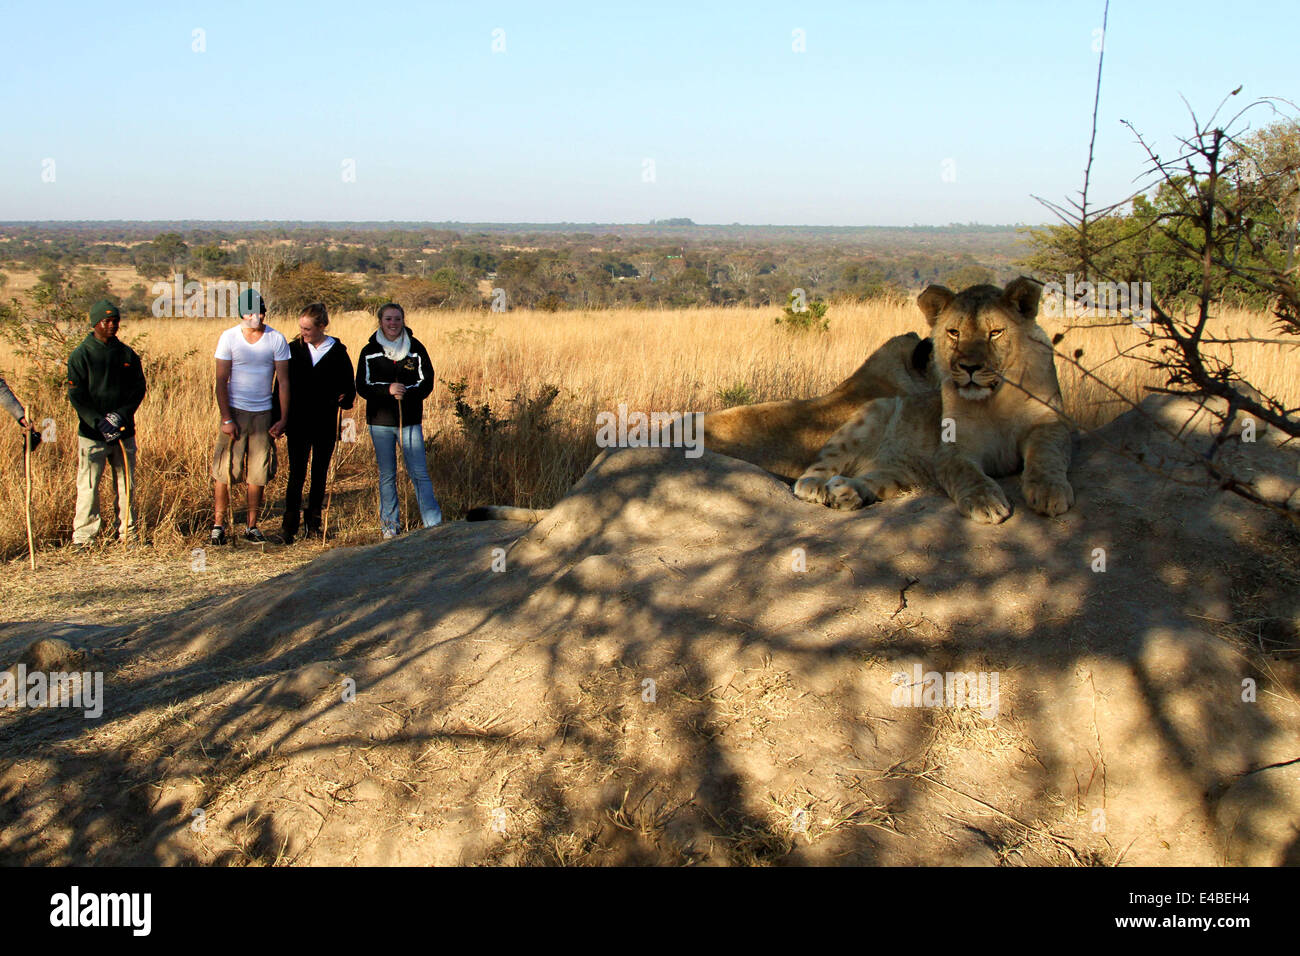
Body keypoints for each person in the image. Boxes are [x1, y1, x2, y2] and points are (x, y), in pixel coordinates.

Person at [211, 288, 290, 545]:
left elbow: (284, 382)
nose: (255, 317)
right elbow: (221, 380)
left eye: (259, 311)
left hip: (263, 413)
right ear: (242, 314)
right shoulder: (229, 338)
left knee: (259, 471)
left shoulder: (276, 339)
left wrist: (282, 419)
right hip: (235, 410)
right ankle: (219, 524)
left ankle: (252, 526)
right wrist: (226, 418)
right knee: (225, 469)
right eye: (250, 312)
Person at [66, 299, 147, 548]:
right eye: (107, 321)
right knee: (88, 486)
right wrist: (98, 422)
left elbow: (138, 388)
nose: (112, 325)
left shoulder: (126, 354)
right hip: (92, 435)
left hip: (123, 431)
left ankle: (128, 533)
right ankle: (84, 538)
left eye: (116, 321)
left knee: (126, 484)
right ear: (95, 324)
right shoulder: (81, 354)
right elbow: (76, 396)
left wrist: (120, 416)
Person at [355, 302, 441, 537]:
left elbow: (427, 381)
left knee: (419, 472)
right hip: (380, 422)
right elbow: (363, 385)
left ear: (403, 320)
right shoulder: (369, 351)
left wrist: (408, 392)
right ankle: (390, 527)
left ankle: (433, 524)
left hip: (409, 420)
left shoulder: (416, 348)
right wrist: (388, 390)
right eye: (388, 319)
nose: (393, 324)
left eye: (397, 319)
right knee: (387, 475)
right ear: (380, 322)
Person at [283, 302, 355, 543]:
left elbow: (349, 386)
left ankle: (313, 524)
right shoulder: (293, 350)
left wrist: (345, 398)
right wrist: (279, 419)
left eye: (308, 329)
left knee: (319, 473)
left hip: (325, 422)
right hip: (298, 422)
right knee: (296, 474)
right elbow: (280, 386)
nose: (303, 333)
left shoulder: (338, 352)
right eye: (301, 328)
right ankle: (289, 525)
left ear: (322, 326)